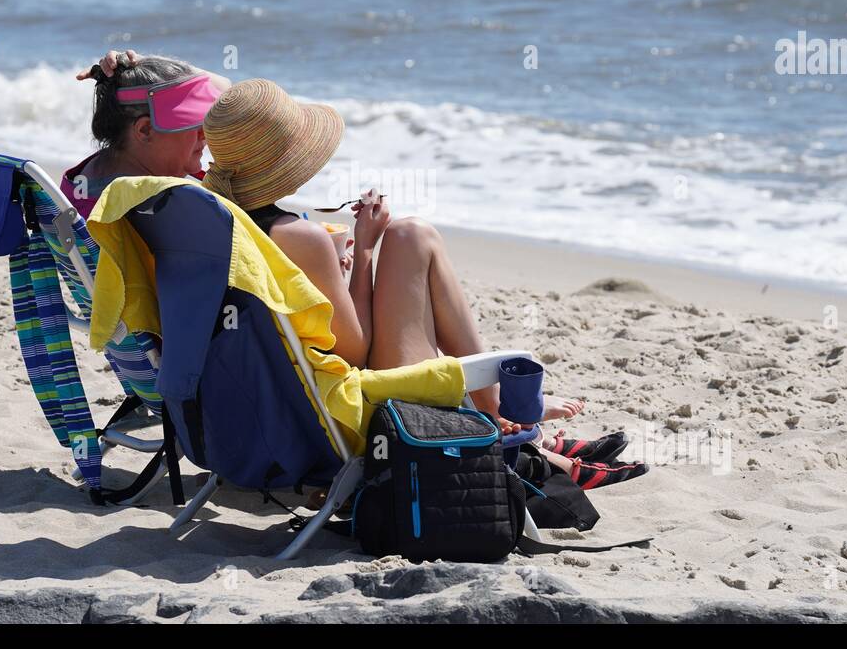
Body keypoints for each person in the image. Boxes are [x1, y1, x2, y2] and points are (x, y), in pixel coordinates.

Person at [199, 80, 639, 489]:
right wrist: (364, 252)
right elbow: (352, 351)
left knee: (410, 235)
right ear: (285, 162)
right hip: (341, 416)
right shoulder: (298, 237)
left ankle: (502, 412)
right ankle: (512, 428)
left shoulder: (210, 225)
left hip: (271, 407)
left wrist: (331, 270)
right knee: (416, 236)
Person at [61, 49, 229, 218]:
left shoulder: (95, 173)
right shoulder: (153, 213)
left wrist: (139, 64)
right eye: (193, 125)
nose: (205, 135)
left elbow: (227, 92)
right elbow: (229, 92)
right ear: (145, 130)